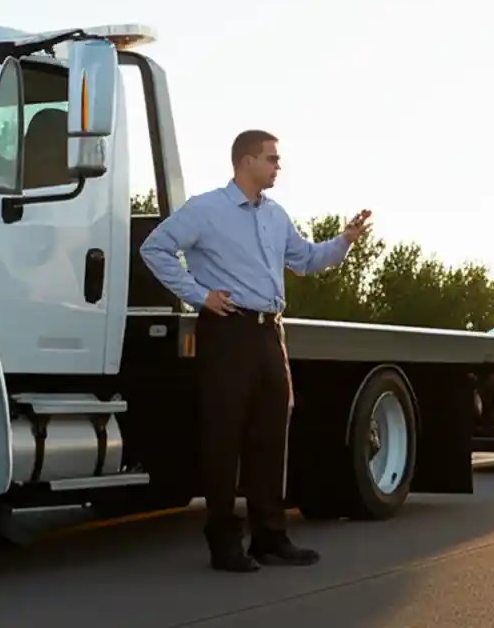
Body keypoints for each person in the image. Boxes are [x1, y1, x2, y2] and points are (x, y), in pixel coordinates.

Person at [139, 128, 371, 572]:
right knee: (224, 437)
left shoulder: (275, 215)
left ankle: (269, 536)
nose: (278, 166)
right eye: (271, 158)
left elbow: (304, 260)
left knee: (270, 437)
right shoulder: (207, 210)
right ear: (246, 161)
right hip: (228, 332)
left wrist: (344, 240)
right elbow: (156, 248)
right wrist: (197, 293)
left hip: (270, 335)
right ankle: (224, 541)